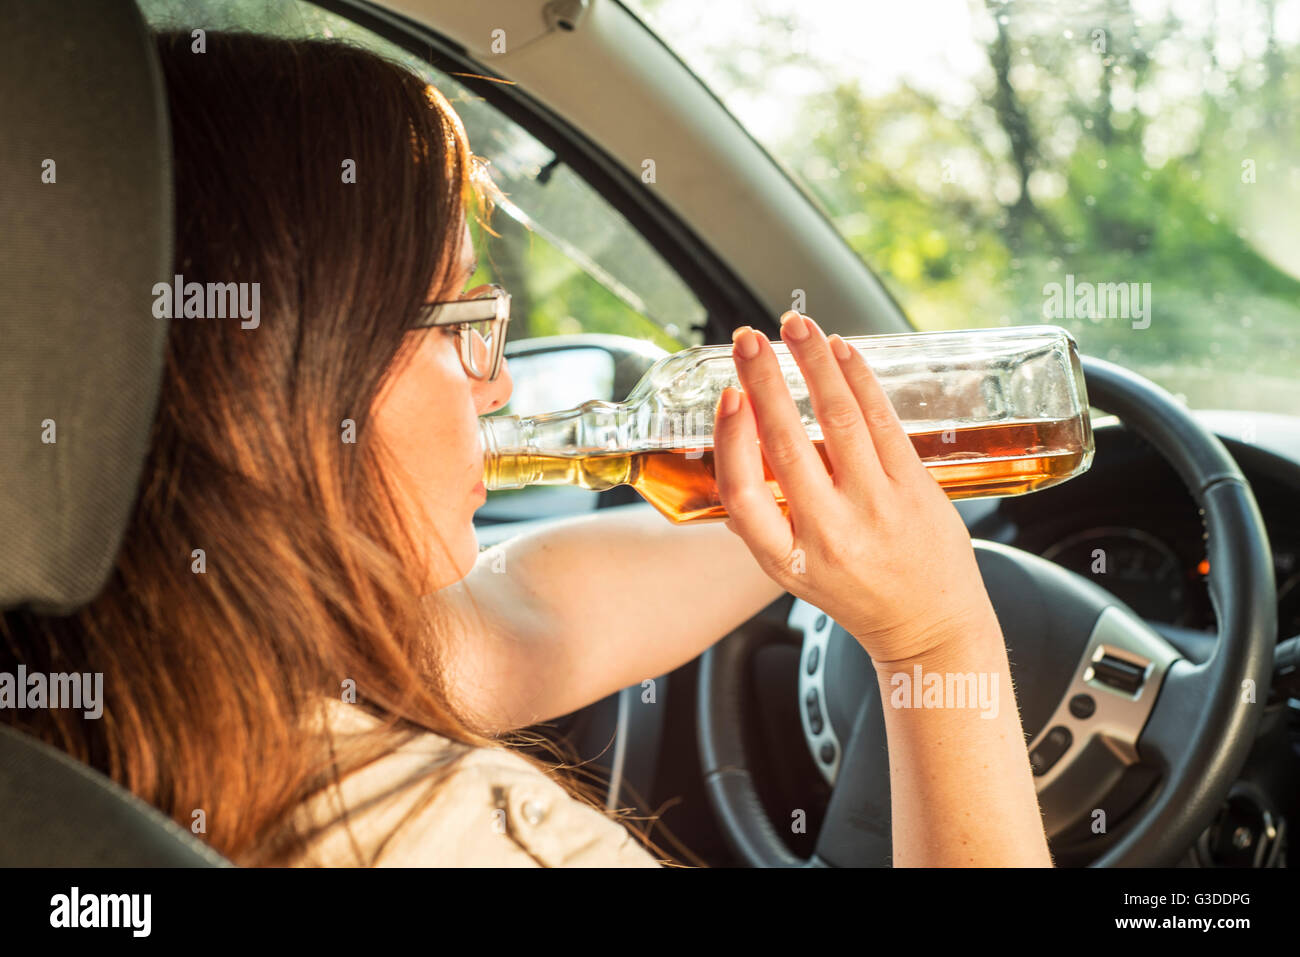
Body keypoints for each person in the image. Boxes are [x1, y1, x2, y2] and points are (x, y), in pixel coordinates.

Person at [0, 29, 1051, 868]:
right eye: (461, 323)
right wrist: (934, 638)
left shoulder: (125, 683)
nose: (498, 382)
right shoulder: (449, 836)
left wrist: (835, 497)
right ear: (286, 374)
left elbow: (525, 611)